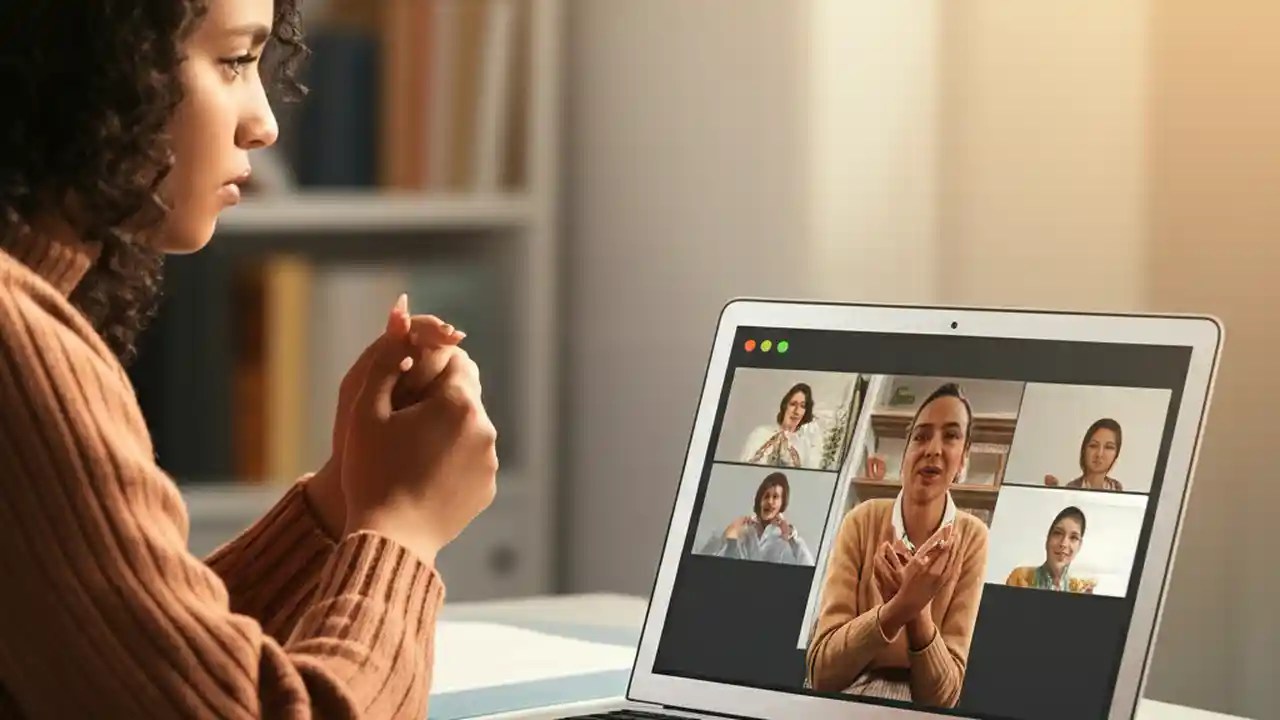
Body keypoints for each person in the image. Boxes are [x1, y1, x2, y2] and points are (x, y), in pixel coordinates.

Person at [0, 1, 498, 717]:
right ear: (84, 63)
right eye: (234, 60)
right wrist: (402, 530)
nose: (264, 125)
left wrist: (337, 506)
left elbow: (145, 670)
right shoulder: (17, 347)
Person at [806, 383, 990, 708]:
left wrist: (915, 612)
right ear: (906, 452)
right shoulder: (861, 520)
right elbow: (822, 672)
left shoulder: (973, 538)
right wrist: (896, 610)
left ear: (964, 457)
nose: (933, 449)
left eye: (951, 436)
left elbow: (944, 697)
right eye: (921, 436)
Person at [700, 472, 816, 565]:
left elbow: (809, 566)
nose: (770, 501)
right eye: (766, 496)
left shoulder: (787, 538)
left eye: (775, 497)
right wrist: (729, 536)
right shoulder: (744, 531)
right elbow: (706, 561)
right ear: (760, 500)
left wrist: (791, 537)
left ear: (782, 503)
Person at [1006, 507, 1097, 593]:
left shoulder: (1079, 589)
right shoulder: (1021, 578)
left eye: (1073, 537)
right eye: (1058, 533)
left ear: (1079, 546)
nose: (1063, 543)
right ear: (1048, 539)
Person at [741, 382, 823, 467]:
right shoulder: (760, 433)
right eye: (793, 404)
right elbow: (744, 465)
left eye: (802, 406)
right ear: (785, 406)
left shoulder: (804, 446)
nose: (796, 411)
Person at [1045, 418, 1125, 491]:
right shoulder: (1072, 488)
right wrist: (1055, 493)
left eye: (1108, 447)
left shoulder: (1117, 488)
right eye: (1093, 446)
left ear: (1116, 454)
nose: (1099, 454)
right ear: (1084, 449)